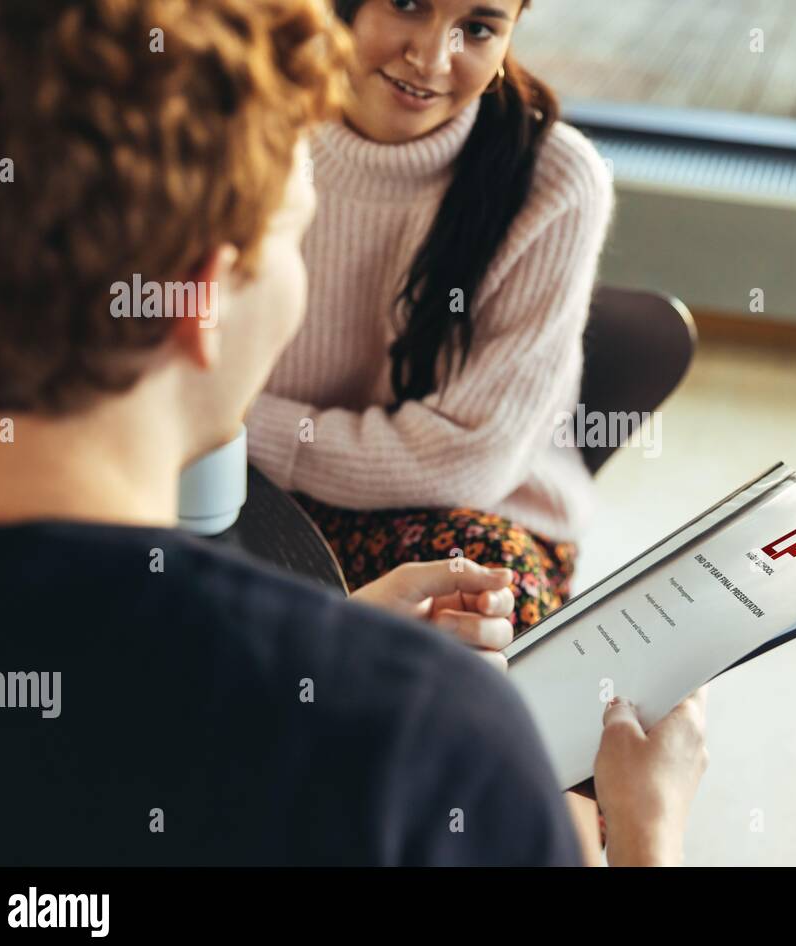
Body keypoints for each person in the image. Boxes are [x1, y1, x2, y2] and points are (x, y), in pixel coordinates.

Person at [0, 0, 705, 867]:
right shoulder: (437, 742)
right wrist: (650, 836)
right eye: (290, 236)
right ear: (201, 299)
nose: (431, 56)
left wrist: (336, 635)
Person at [246, 0, 611, 632]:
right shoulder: (244, 120)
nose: (432, 57)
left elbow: (463, 460)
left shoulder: (557, 182)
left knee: (478, 619)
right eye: (408, 4)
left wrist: (236, 425)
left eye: (478, 28)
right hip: (248, 487)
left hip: (469, 515)